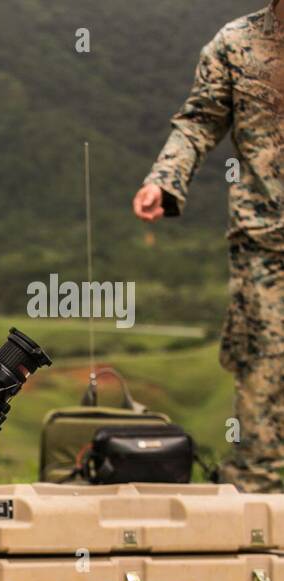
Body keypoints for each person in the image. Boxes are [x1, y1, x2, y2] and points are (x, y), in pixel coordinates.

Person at [133, 2, 284, 492]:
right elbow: (198, 121)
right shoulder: (236, 43)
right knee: (264, 375)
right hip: (266, 246)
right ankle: (258, 525)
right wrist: (164, 179)